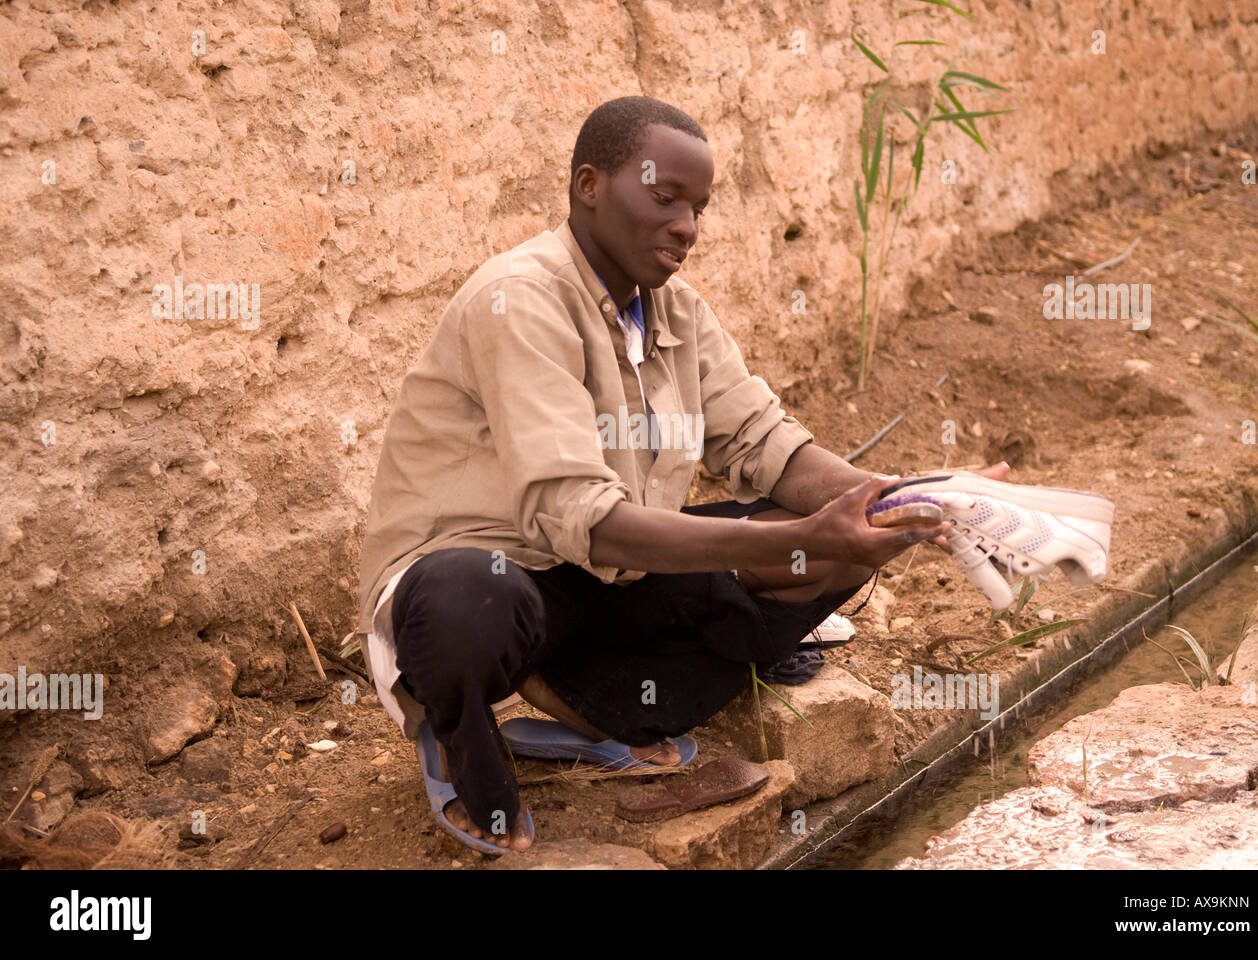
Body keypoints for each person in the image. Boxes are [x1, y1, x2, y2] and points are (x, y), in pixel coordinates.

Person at [357, 95, 1007, 852]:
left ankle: (589, 705)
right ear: (589, 185)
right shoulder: (523, 300)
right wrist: (788, 534)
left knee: (832, 550)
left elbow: (768, 445)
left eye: (698, 208)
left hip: (600, 581)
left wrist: (919, 500)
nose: (686, 227)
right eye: (665, 197)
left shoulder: (676, 312)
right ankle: (455, 732)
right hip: (496, 577)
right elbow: (583, 515)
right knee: (471, 597)